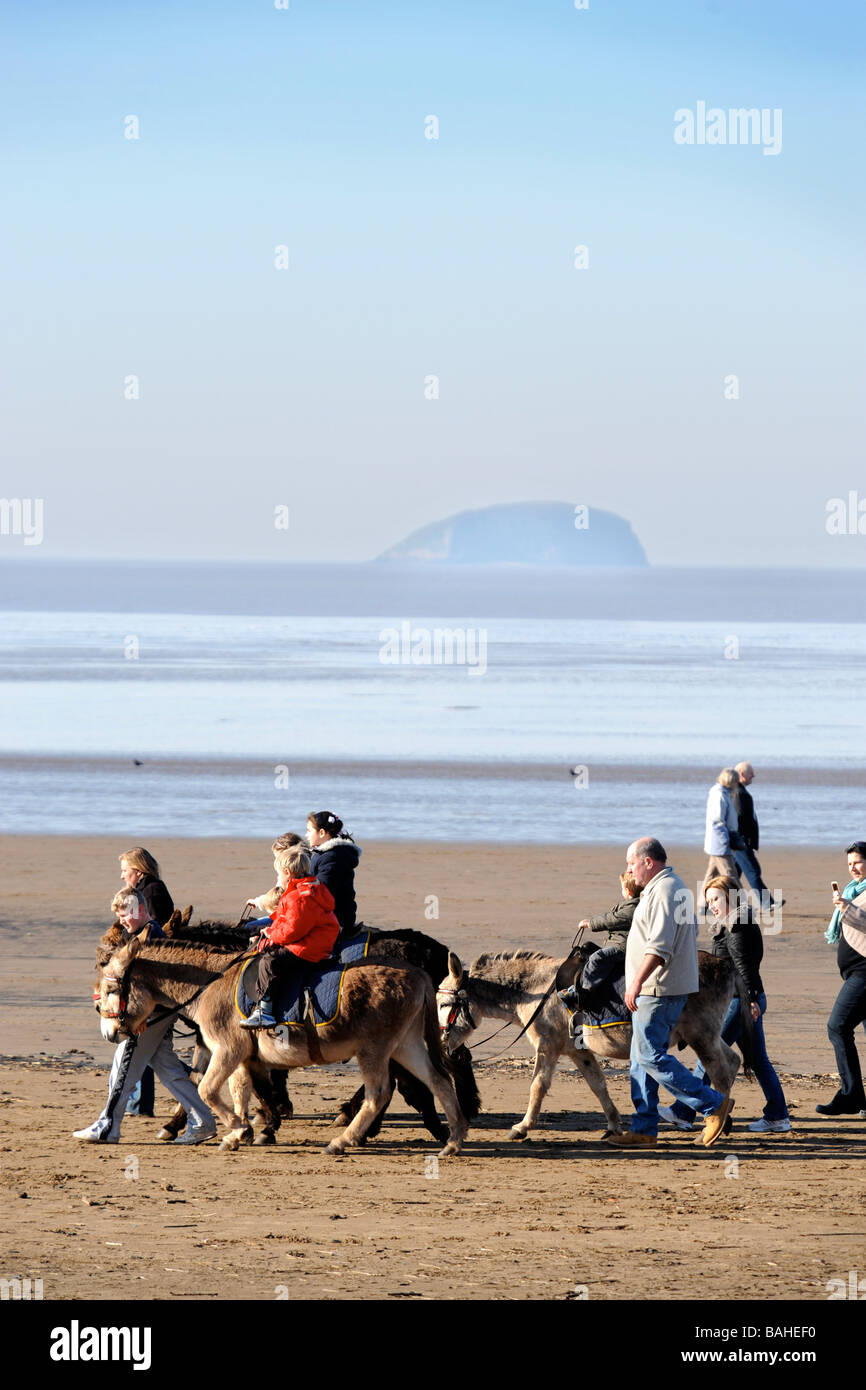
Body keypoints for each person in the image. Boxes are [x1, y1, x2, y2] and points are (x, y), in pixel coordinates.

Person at [604, 837, 732, 1149]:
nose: (629, 870)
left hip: (657, 988)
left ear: (648, 861)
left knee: (650, 1055)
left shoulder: (665, 891)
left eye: (632, 864)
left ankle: (711, 1103)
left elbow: (659, 948)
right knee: (639, 1058)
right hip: (660, 987)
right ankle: (645, 1127)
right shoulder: (667, 888)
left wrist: (635, 983)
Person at [73, 888, 216, 1145]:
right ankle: (202, 1120)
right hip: (151, 1019)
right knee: (168, 1070)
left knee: (123, 1068)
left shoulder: (153, 938)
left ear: (140, 910)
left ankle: (108, 1126)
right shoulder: (136, 935)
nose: (123, 921)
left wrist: (138, 1020)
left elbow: (157, 988)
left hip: (149, 1020)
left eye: (126, 915)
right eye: (119, 916)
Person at [661, 875, 790, 1133]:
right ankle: (778, 1115)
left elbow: (744, 967)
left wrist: (752, 1000)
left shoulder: (737, 926)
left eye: (716, 898)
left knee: (707, 1052)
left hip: (739, 1001)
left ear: (731, 896)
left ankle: (683, 1111)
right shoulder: (731, 924)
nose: (712, 905)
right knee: (758, 1059)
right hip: (743, 999)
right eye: (708, 900)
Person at [241, 844, 341, 1029]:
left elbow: (291, 931)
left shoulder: (299, 897)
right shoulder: (310, 889)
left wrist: (270, 934)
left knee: (270, 961)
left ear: (287, 872)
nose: (278, 878)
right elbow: (285, 921)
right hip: (312, 942)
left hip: (309, 948)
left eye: (279, 874)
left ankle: (265, 1012)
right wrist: (267, 935)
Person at [818, 842, 866, 1117]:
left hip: (864, 972)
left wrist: (847, 909)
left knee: (837, 1026)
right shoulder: (852, 889)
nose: (852, 867)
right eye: (849, 863)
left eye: (857, 862)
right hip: (854, 971)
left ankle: (851, 1096)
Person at [731, 763, 783, 912]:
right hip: (741, 842)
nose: (753, 776)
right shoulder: (738, 793)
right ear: (742, 774)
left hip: (739, 841)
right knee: (753, 872)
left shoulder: (739, 791)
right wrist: (744, 840)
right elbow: (739, 818)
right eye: (751, 773)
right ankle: (767, 903)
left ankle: (713, 904)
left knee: (732, 876)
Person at [306, 812, 361, 939]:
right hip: (329, 914)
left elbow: (322, 892)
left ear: (321, 833)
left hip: (336, 919)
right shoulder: (324, 853)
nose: (306, 835)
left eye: (309, 831)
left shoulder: (332, 857)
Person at [701, 769, 744, 900]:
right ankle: (743, 904)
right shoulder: (719, 795)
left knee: (711, 875)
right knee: (731, 875)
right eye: (737, 781)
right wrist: (725, 841)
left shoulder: (725, 794)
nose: (738, 783)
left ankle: (703, 903)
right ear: (732, 781)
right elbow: (717, 821)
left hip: (719, 842)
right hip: (720, 843)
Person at [577, 871, 641, 951]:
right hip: (617, 944)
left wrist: (590, 923)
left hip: (621, 948)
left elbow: (611, 920)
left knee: (596, 958)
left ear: (628, 892)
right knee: (588, 947)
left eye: (622, 888)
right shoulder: (631, 905)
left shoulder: (632, 908)